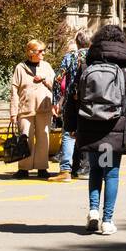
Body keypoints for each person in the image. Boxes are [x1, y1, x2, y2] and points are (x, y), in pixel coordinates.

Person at [64, 24, 126, 236]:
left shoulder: (86, 67)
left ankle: (93, 211)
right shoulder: (125, 70)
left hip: (90, 125)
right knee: (111, 173)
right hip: (114, 127)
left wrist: (72, 126)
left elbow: (73, 100)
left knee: (95, 170)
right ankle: (107, 220)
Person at [10, 39, 56, 180]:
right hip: (25, 109)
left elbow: (55, 85)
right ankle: (24, 169)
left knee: (44, 138)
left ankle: (42, 168)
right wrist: (13, 113)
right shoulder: (20, 67)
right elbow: (14, 90)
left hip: (44, 108)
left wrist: (44, 79)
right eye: (40, 51)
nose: (43, 53)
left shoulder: (47, 66)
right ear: (31, 53)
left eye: (43, 50)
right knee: (25, 138)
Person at [50, 30, 91, 181]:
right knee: (86, 132)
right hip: (89, 101)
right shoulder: (95, 56)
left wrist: (56, 101)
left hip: (70, 102)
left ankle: (65, 170)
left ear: (77, 42)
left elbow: (57, 79)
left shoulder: (70, 57)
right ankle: (84, 169)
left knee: (68, 133)